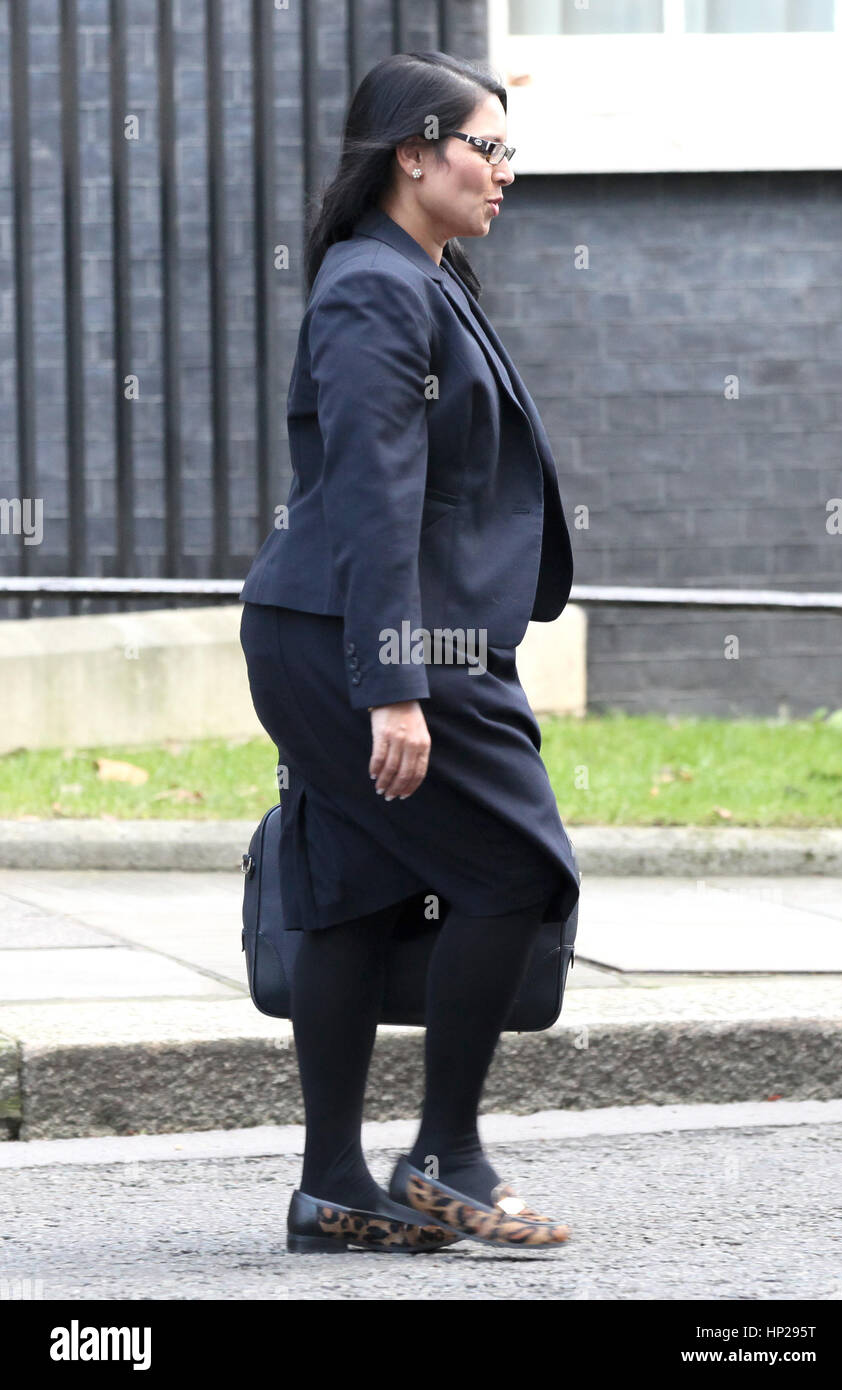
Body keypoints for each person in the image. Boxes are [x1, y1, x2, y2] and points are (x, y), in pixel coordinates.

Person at [239, 49, 580, 1254]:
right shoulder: (376, 288)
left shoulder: (417, 277)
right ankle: (444, 1154)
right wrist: (392, 684)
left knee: (351, 887)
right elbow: (378, 496)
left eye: (505, 152)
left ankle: (334, 1185)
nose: (501, 174)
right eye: (485, 147)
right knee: (512, 867)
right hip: (371, 639)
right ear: (413, 153)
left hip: (340, 628)